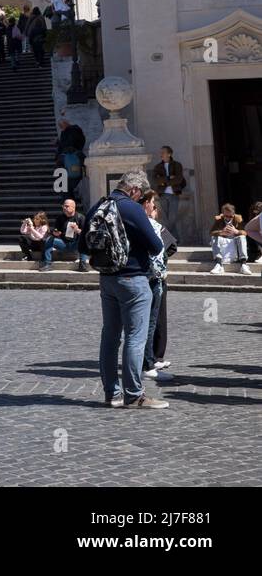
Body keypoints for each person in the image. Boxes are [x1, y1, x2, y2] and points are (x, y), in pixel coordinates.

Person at [79, 171, 169, 408]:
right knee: (135, 338)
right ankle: (134, 395)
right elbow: (156, 244)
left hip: (107, 279)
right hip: (133, 279)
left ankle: (112, 394)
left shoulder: (97, 206)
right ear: (135, 191)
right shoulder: (132, 209)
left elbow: (82, 245)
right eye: (141, 196)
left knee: (109, 337)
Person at [139, 192, 175, 386]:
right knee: (149, 322)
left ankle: (148, 361)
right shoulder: (149, 224)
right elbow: (163, 248)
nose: (155, 208)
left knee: (141, 323)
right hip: (152, 277)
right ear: (145, 204)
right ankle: (148, 364)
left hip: (141, 276)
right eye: (153, 204)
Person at [148, 146, 187, 241]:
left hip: (174, 195)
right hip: (162, 195)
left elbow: (179, 179)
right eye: (161, 152)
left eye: (163, 152)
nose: (161, 154)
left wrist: (164, 181)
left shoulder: (177, 165)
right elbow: (154, 180)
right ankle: (175, 239)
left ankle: (170, 239)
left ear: (169, 154)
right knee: (166, 218)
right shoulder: (158, 167)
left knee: (172, 218)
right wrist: (169, 178)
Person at [46, 198, 89, 271]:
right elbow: (55, 230)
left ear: (73, 207)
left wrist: (77, 230)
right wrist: (55, 233)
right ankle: (47, 264)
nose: (64, 208)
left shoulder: (80, 217)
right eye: (63, 206)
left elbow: (87, 234)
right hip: (63, 243)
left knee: (84, 239)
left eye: (67, 206)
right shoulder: (60, 218)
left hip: (76, 245)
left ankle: (83, 265)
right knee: (49, 239)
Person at [209, 203, 248, 274]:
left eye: (230, 216)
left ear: (233, 214)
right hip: (223, 240)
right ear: (223, 214)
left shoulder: (238, 219)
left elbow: (245, 232)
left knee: (242, 237)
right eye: (226, 216)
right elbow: (211, 232)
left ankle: (244, 264)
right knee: (214, 237)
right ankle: (219, 264)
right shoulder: (219, 220)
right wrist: (221, 232)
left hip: (235, 240)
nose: (228, 218)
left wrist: (237, 231)